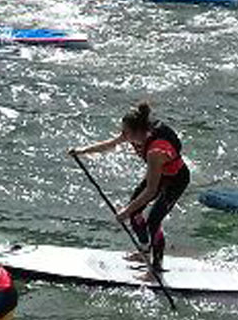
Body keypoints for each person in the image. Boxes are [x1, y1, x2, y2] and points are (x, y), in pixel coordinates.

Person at [70, 102, 191, 271]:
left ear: (138, 131)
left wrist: (124, 213)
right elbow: (110, 144)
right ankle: (144, 252)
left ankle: (156, 268)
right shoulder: (135, 134)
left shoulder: (155, 152)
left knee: (153, 221)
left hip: (176, 180)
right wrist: (82, 151)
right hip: (160, 174)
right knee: (135, 212)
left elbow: (150, 191)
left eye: (125, 132)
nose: (123, 136)